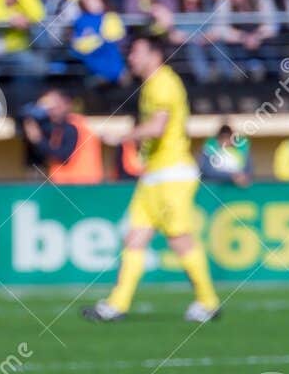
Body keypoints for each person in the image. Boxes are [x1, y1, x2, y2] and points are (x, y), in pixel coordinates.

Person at [84, 35, 221, 324]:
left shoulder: (163, 83)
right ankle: (117, 305)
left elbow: (158, 128)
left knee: (179, 238)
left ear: (154, 55)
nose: (131, 58)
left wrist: (122, 137)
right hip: (154, 174)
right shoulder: (151, 84)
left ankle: (208, 302)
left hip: (172, 174)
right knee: (135, 237)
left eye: (135, 51)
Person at [22, 89, 104, 184]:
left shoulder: (73, 127)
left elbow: (62, 156)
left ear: (67, 104)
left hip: (79, 185)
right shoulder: (57, 127)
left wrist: (38, 139)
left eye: (55, 104)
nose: (51, 109)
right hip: (68, 185)